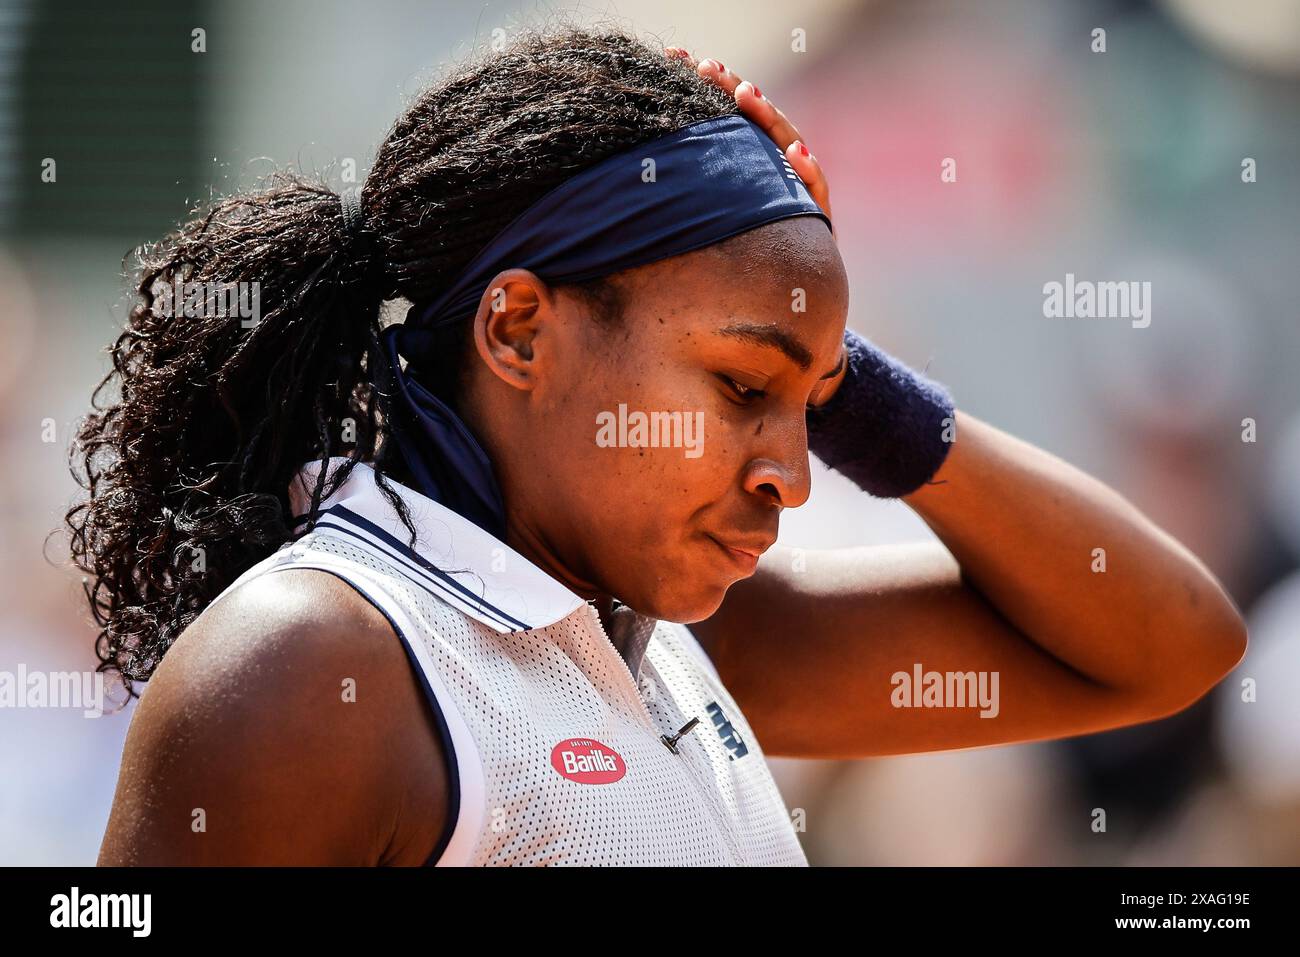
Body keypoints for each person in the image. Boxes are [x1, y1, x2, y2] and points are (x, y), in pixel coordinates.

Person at [78, 26, 1246, 866]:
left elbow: (1169, 645)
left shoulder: (687, 638)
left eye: (812, 402)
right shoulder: (316, 668)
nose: (790, 471)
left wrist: (845, 380)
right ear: (521, 329)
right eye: (741, 384)